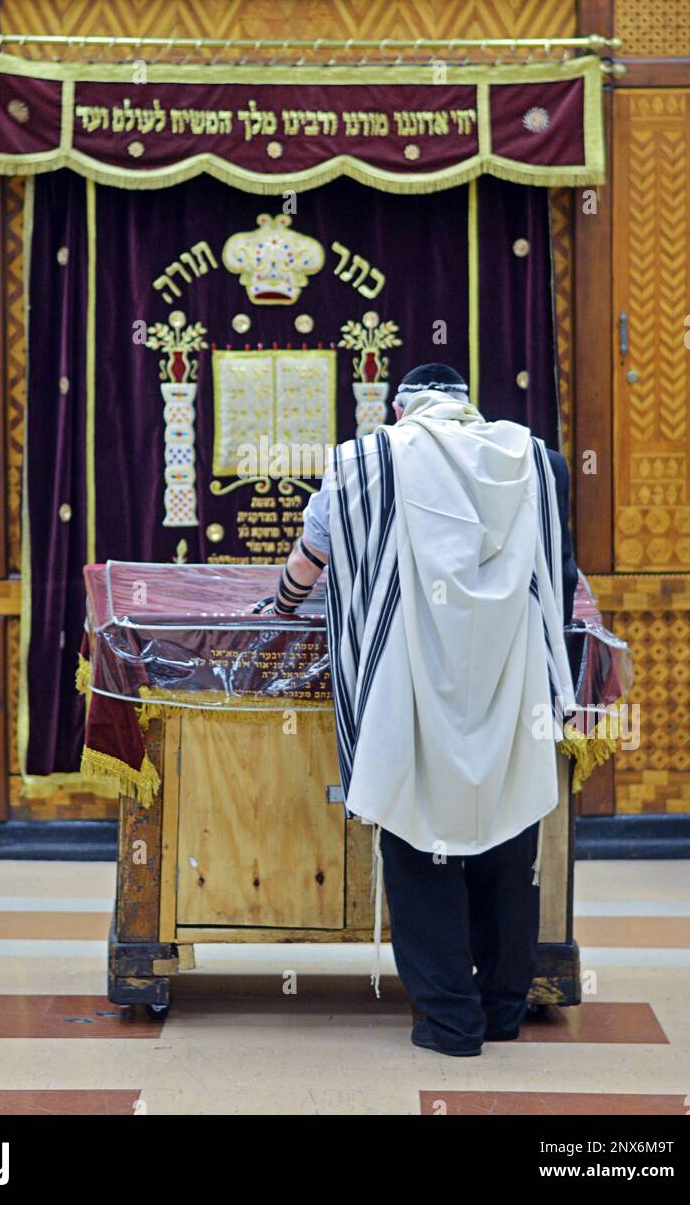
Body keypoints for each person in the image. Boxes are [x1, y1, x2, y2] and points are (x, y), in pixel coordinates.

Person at [267, 363, 578, 1056]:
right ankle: (501, 1010)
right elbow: (559, 580)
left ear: (402, 410)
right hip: (510, 682)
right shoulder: (535, 459)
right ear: (468, 405)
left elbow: (314, 552)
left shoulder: (368, 459)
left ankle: (450, 1024)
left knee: (419, 844)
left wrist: (283, 605)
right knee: (506, 838)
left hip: (410, 684)